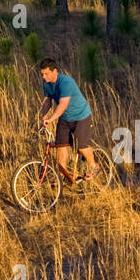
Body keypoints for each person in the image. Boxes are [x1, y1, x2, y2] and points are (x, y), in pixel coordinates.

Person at [38, 56, 96, 184]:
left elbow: (63, 104)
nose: (44, 77)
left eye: (46, 74)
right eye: (42, 74)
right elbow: (48, 100)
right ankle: (61, 176)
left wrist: (51, 119)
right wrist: (43, 116)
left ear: (54, 71)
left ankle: (94, 167)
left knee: (81, 146)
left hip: (81, 116)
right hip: (65, 118)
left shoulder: (66, 82)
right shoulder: (46, 83)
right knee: (60, 146)